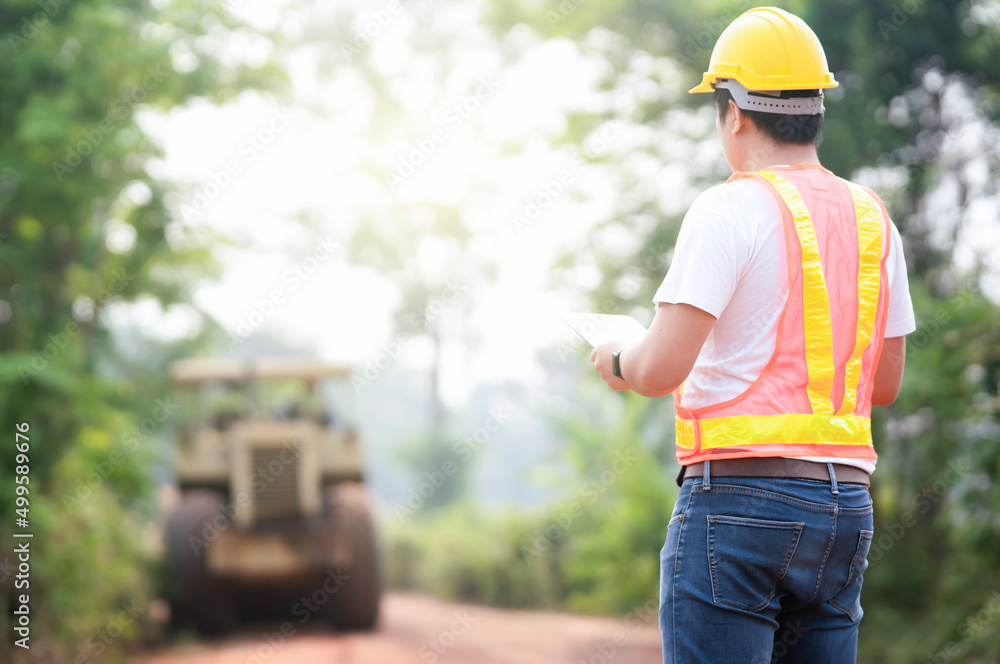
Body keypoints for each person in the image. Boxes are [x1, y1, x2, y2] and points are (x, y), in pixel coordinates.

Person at [590, 7, 916, 664]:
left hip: (738, 508)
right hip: (845, 508)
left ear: (733, 111)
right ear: (815, 109)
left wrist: (618, 355)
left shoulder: (728, 207)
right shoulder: (873, 218)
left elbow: (658, 371)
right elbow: (883, 385)